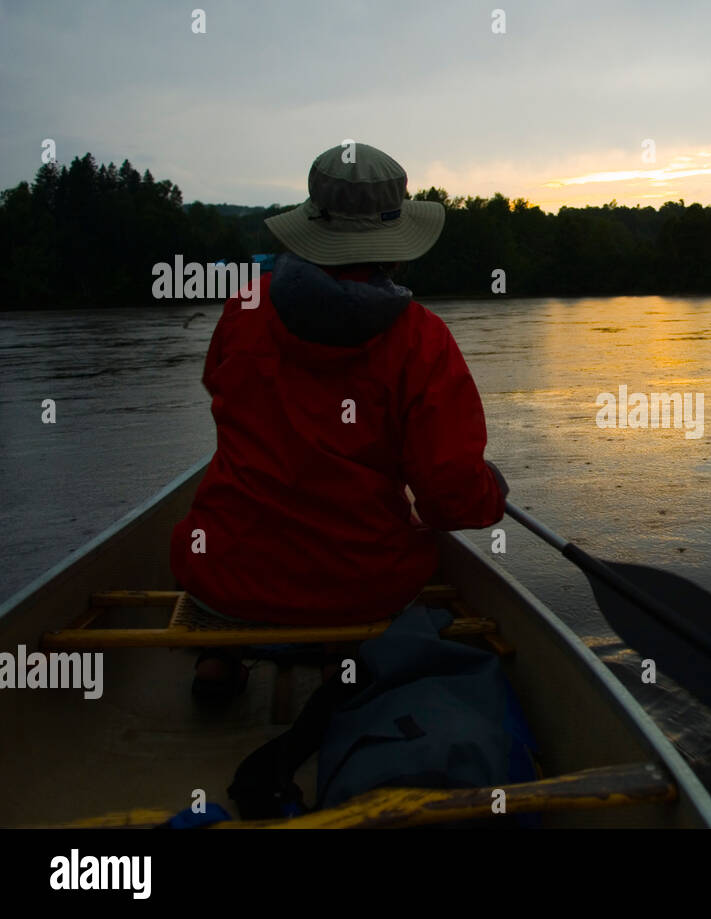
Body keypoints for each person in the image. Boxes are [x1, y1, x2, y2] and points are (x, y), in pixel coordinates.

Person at [171, 142, 507, 702]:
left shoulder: (243, 309)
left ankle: (219, 658)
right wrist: (490, 492)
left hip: (222, 578)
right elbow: (449, 498)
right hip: (360, 588)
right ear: (395, 247)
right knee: (367, 574)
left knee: (222, 548)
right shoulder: (421, 339)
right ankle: (340, 662)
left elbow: (219, 395)